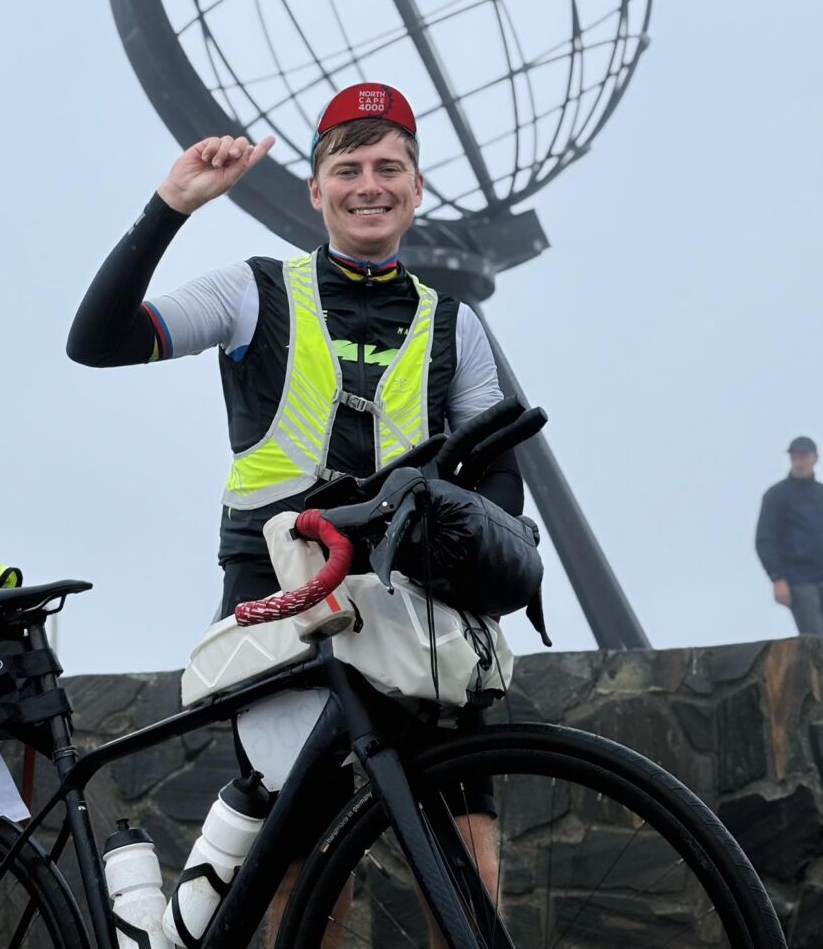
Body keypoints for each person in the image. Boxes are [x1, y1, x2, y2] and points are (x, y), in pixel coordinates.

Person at [67, 81, 524, 945]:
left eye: (390, 166)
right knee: (308, 877)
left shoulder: (455, 326)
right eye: (346, 168)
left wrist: (461, 545)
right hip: (281, 599)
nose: (369, 184)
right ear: (316, 192)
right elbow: (97, 340)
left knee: (472, 873)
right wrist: (172, 206)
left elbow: (503, 483)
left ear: (417, 188)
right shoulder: (254, 291)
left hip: (415, 598)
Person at [755, 436, 823, 640]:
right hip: (799, 581)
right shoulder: (777, 495)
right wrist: (777, 578)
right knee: (815, 642)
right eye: (795, 456)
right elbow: (765, 539)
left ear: (815, 458)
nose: (799, 461)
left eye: (803, 456)